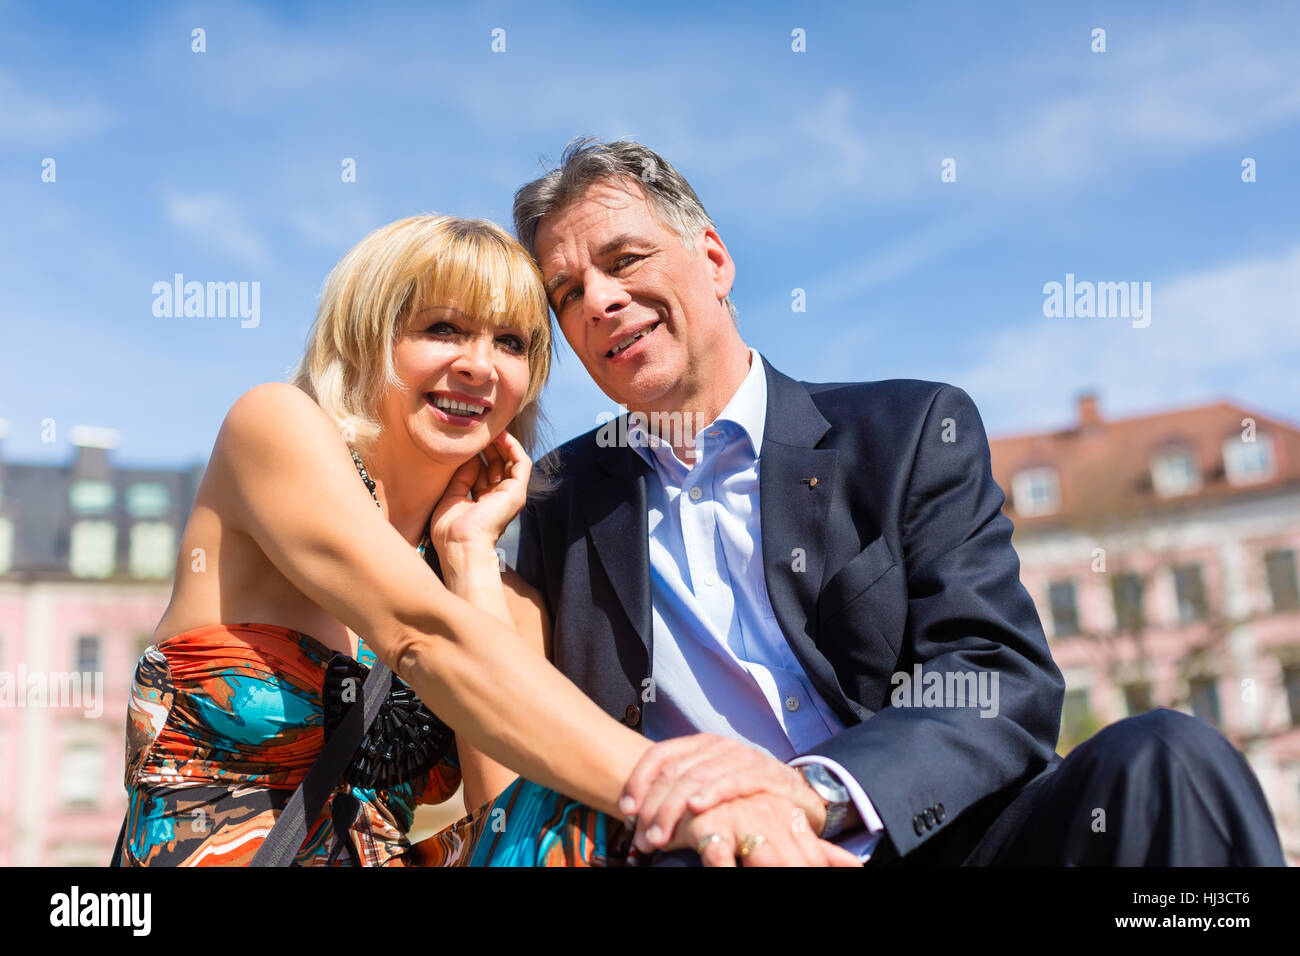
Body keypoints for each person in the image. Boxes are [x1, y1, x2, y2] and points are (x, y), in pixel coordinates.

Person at [505, 137, 1287, 866]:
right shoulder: (549, 506)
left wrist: (812, 790)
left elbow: (998, 676)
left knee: (1165, 756)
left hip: (948, 840)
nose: (598, 301)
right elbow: (495, 708)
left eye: (625, 259)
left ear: (713, 259)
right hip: (714, 855)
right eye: (567, 292)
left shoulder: (907, 432)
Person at [119, 213, 855, 866]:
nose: (479, 364)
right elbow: (417, 633)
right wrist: (685, 789)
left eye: (510, 342)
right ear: (366, 336)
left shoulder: (504, 599)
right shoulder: (273, 426)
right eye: (443, 329)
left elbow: (511, 830)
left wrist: (471, 561)